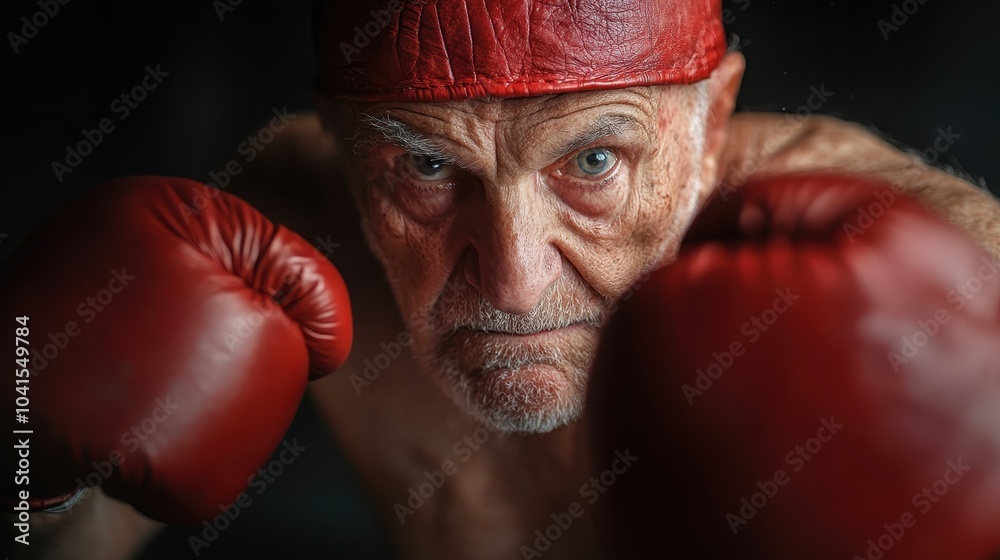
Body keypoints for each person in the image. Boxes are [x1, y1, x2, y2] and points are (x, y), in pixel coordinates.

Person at [4, 1, 999, 559]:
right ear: (347, 148)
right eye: (429, 169)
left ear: (707, 122)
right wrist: (26, 462)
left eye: (592, 163)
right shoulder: (277, 229)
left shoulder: (942, 282)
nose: (514, 282)